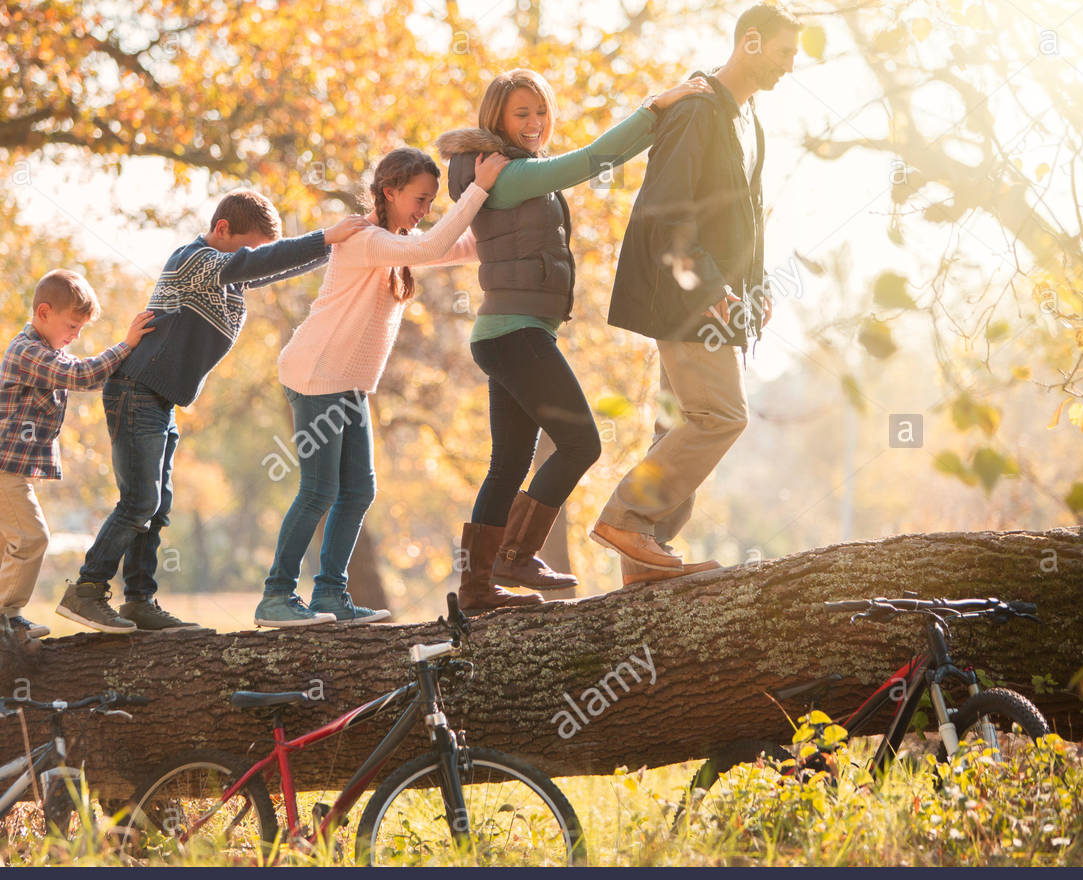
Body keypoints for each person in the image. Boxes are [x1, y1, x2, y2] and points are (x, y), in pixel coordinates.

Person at [436, 69, 709, 612]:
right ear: (498, 119)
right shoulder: (506, 173)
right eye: (521, 114)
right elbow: (592, 159)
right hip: (512, 334)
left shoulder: (510, 173)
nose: (534, 124)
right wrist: (657, 107)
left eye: (540, 112)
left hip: (512, 333)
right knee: (583, 442)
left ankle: (476, 590)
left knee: (508, 465)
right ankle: (515, 554)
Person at [56, 191, 369, 633]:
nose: (253, 258)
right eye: (248, 247)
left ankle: (139, 601)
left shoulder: (230, 274)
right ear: (222, 230)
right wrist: (325, 235)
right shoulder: (194, 259)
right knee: (139, 501)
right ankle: (86, 590)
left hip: (159, 399)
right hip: (135, 390)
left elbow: (273, 264)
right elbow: (256, 263)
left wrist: (336, 245)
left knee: (157, 506)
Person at [592, 3, 801, 586]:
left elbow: (748, 218)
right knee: (720, 416)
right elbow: (666, 209)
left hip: (720, 300)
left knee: (678, 423)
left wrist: (752, 292)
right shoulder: (696, 109)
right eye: (785, 52)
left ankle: (643, 558)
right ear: (752, 42)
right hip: (685, 295)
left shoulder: (748, 118)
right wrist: (707, 287)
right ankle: (627, 519)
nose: (790, 67)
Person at [255, 148, 509, 627]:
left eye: (432, 202)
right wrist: (477, 189)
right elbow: (433, 247)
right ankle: (276, 596)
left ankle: (330, 594)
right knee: (319, 490)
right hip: (317, 375)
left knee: (358, 491)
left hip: (348, 385)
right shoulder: (365, 239)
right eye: (419, 199)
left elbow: (452, 247)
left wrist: (507, 225)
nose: (424, 211)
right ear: (389, 192)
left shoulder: (393, 242)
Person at [0, 269, 154, 640]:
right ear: (43, 313)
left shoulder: (47, 351)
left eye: (80, 330)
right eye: (72, 325)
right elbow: (81, 376)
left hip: (0, 467)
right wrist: (125, 346)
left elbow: (83, 376)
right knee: (32, 538)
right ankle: (3, 620)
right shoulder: (27, 351)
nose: (76, 336)